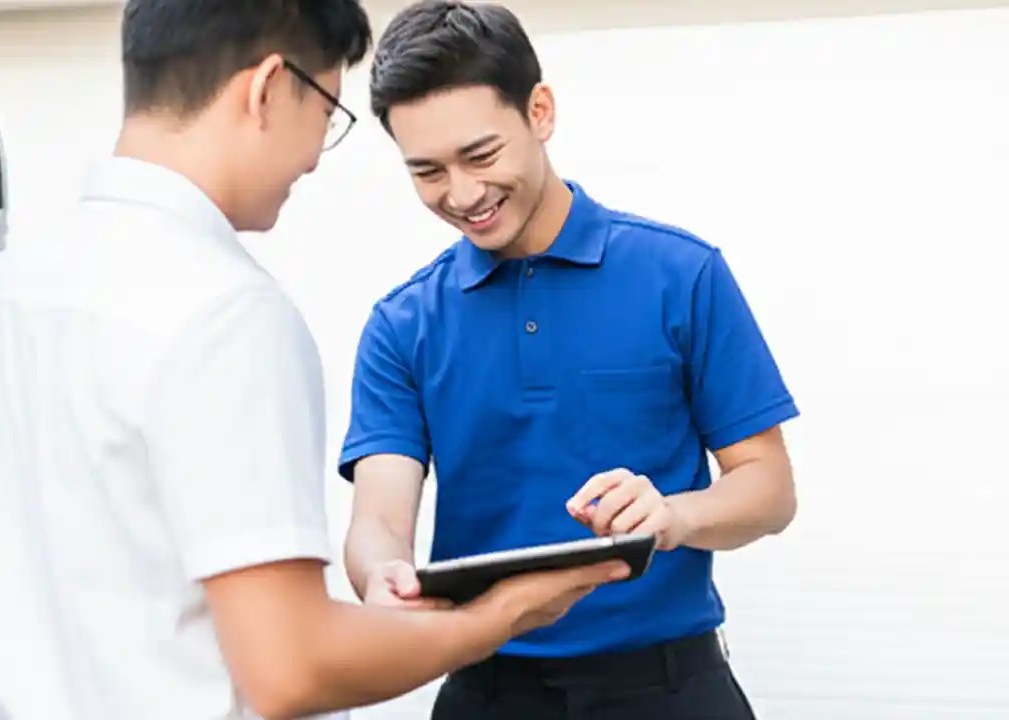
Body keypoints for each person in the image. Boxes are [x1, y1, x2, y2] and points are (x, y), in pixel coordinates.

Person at [0, 1, 631, 719]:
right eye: (328, 114)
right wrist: (503, 616)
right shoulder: (224, 310)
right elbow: (291, 669)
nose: (313, 157)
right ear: (270, 88)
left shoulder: (15, 291)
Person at [338, 2, 800, 718]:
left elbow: (769, 490)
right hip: (486, 691)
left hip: (672, 691)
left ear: (541, 112)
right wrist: (382, 577)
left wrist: (671, 515)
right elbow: (379, 521)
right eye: (427, 171)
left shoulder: (682, 274)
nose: (461, 195)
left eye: (481, 155)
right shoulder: (403, 324)